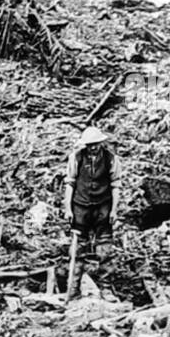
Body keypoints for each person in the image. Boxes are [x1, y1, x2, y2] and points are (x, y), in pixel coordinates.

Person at [63, 125, 121, 301]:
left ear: (101, 142)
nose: (93, 147)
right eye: (89, 145)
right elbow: (70, 183)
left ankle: (106, 289)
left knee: (105, 250)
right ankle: (73, 289)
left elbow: (116, 185)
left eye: (96, 144)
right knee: (77, 249)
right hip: (80, 207)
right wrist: (67, 208)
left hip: (103, 207)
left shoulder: (111, 159)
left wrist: (114, 210)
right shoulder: (76, 157)